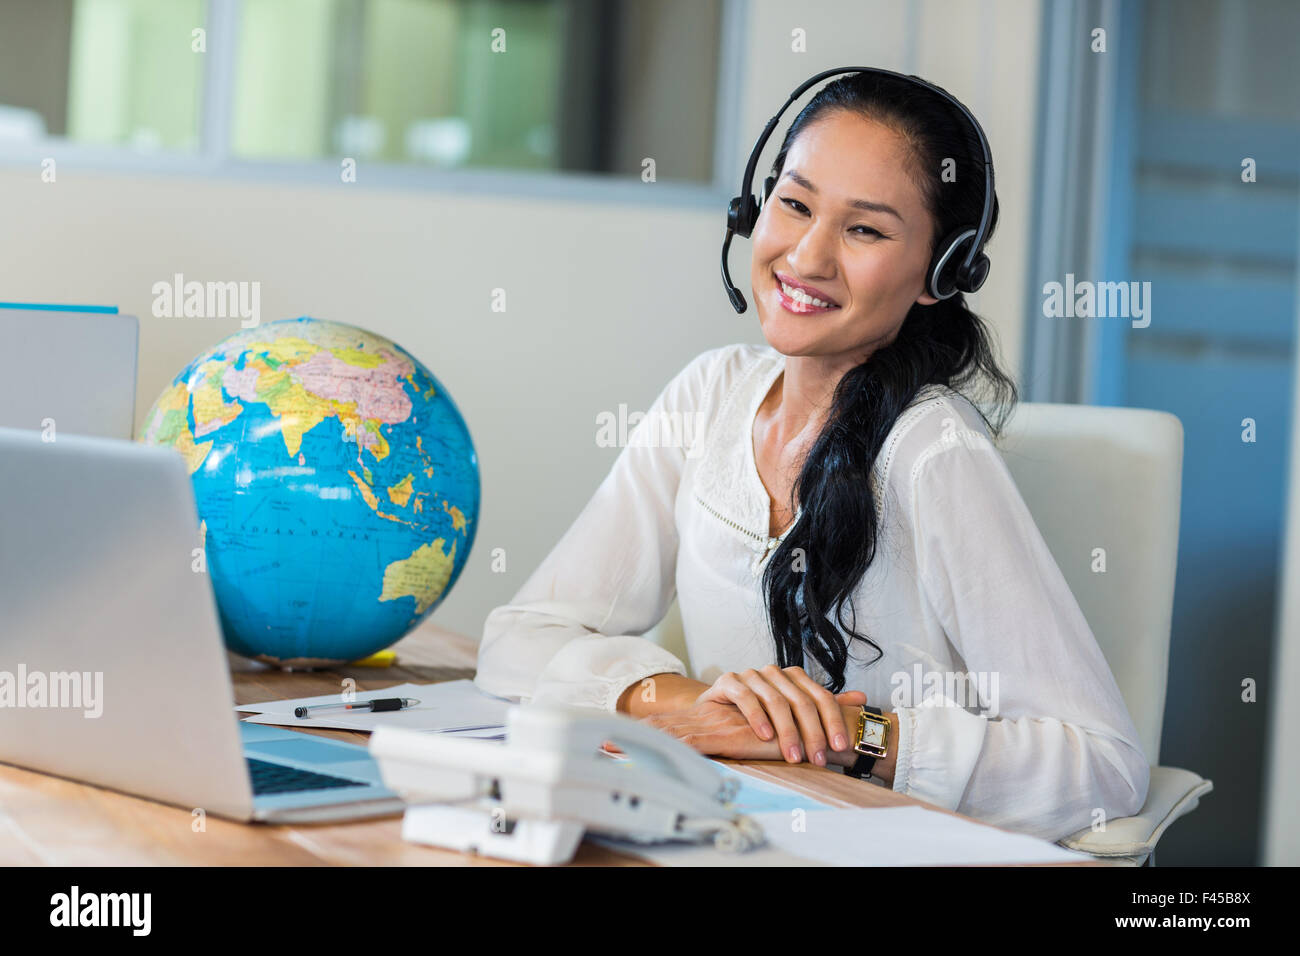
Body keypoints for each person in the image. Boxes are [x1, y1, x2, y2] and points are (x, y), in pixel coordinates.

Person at [474, 70, 1149, 842]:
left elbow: (1103, 765)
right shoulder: (709, 394)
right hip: (731, 837)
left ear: (940, 273)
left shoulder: (934, 451)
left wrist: (844, 739)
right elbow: (519, 639)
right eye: (794, 206)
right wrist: (686, 701)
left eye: (865, 230)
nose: (808, 255)